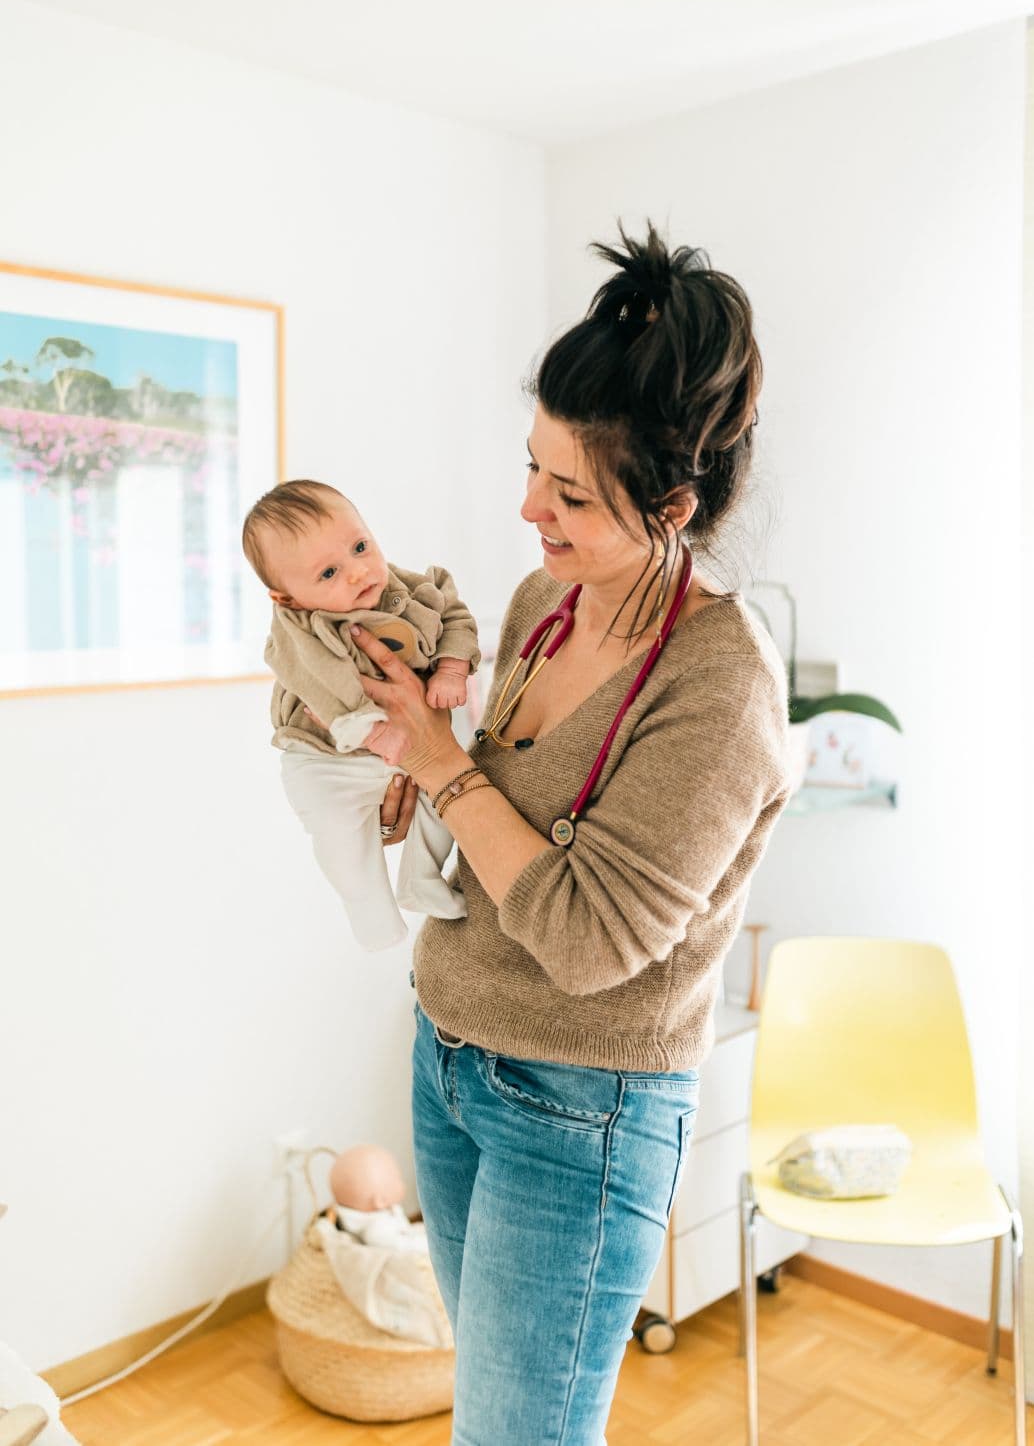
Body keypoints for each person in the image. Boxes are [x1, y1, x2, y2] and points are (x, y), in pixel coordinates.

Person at [350, 223, 792, 1444]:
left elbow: (591, 938)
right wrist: (424, 775)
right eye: (531, 465)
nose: (526, 508)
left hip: (580, 1105)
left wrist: (444, 772)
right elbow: (499, 803)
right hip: (449, 1054)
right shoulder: (545, 599)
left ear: (674, 505)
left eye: (569, 493)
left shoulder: (720, 686)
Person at [240, 481, 481, 950]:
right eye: (329, 572)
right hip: (325, 757)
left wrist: (452, 666)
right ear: (287, 598)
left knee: (453, 796)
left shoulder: (405, 588)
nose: (357, 573)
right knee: (338, 834)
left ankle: (423, 876)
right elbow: (313, 675)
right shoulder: (298, 629)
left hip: (415, 745)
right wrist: (367, 729)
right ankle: (366, 904)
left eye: (359, 547)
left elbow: (452, 610)